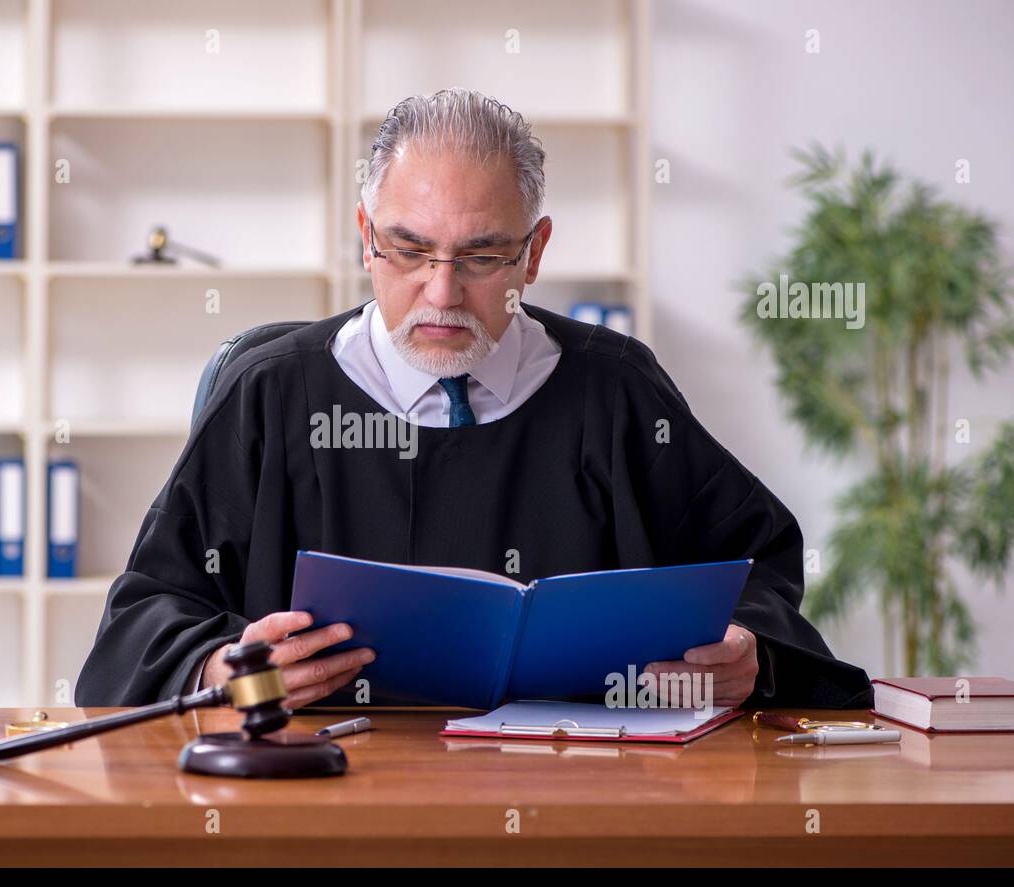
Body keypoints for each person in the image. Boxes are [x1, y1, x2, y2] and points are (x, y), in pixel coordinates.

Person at [75, 88, 872, 712]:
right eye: (410, 249)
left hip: (581, 805)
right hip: (322, 799)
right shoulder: (271, 395)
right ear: (366, 237)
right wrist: (230, 667)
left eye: (483, 255)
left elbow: (756, 563)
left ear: (535, 251)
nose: (442, 291)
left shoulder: (615, 390)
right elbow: (146, 614)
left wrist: (749, 657)